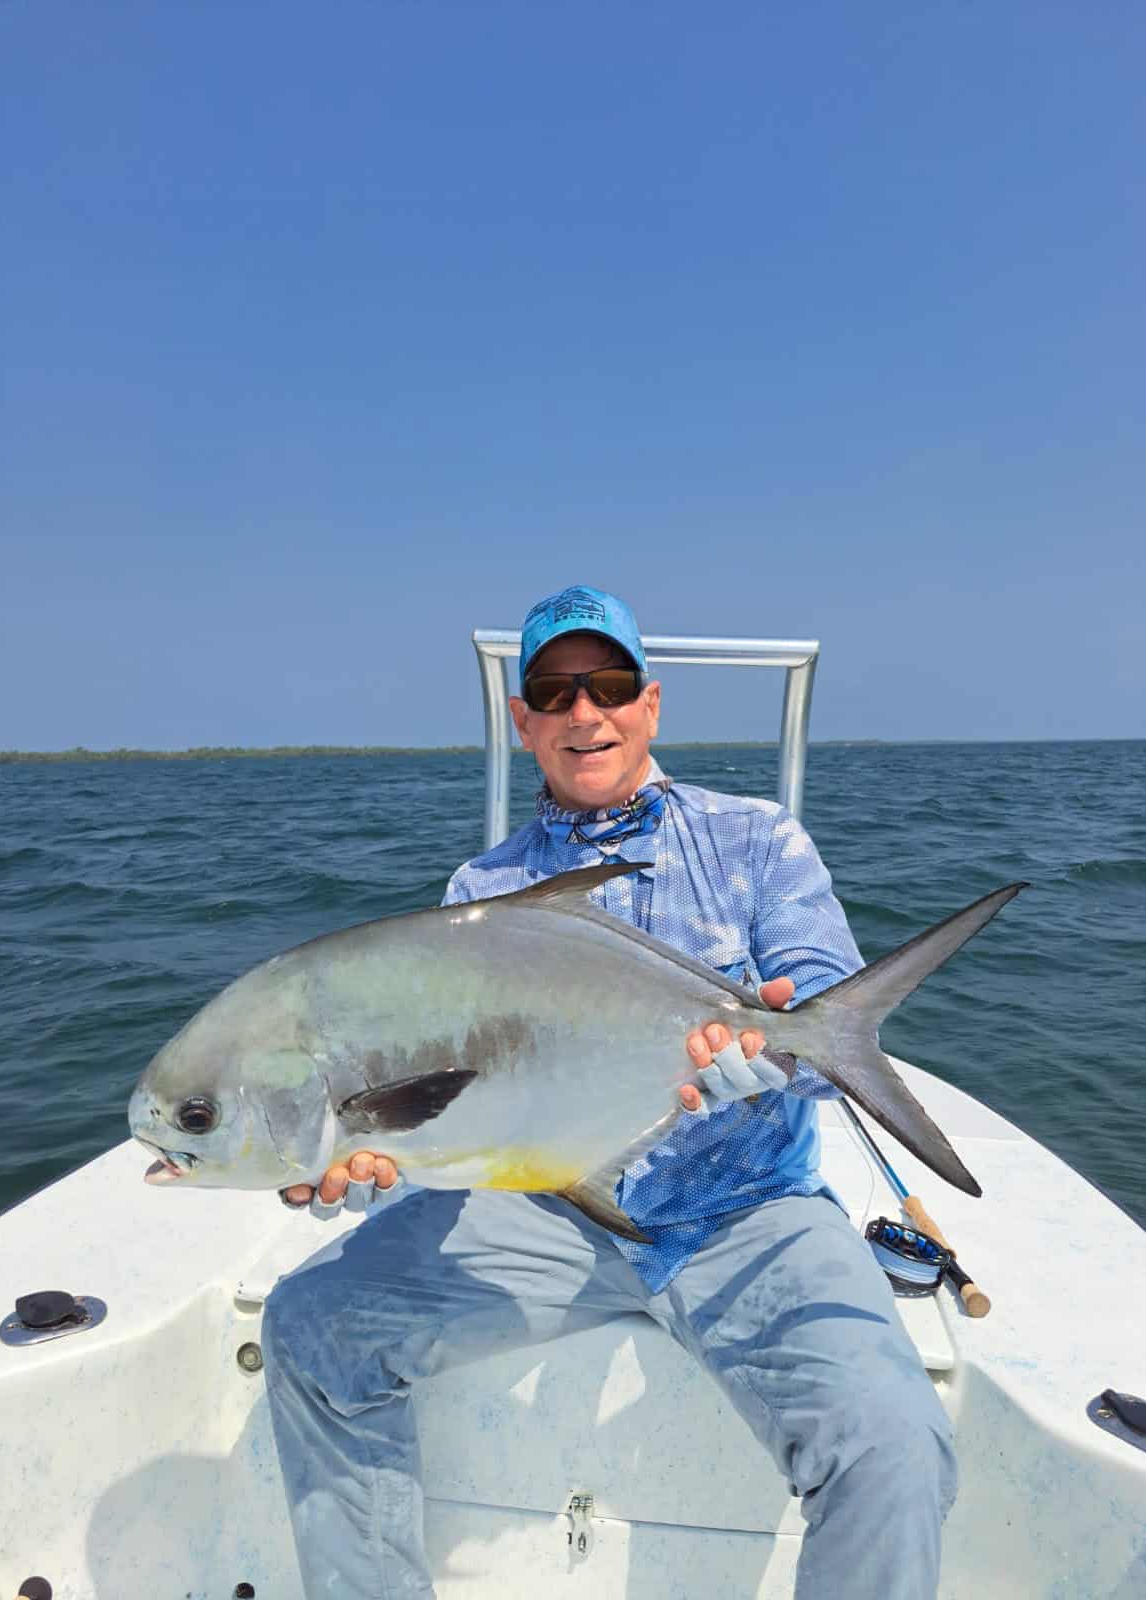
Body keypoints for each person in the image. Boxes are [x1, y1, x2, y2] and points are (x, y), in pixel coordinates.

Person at [263, 584, 957, 1599]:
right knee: (310, 1329)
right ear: (524, 720)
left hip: (748, 1209)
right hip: (544, 1211)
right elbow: (454, 1105)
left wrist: (779, 1038)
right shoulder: (478, 895)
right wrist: (373, 1162)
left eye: (610, 684)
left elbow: (815, 1012)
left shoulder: (759, 841)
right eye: (553, 690)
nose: (585, 711)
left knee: (894, 1445)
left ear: (652, 703)